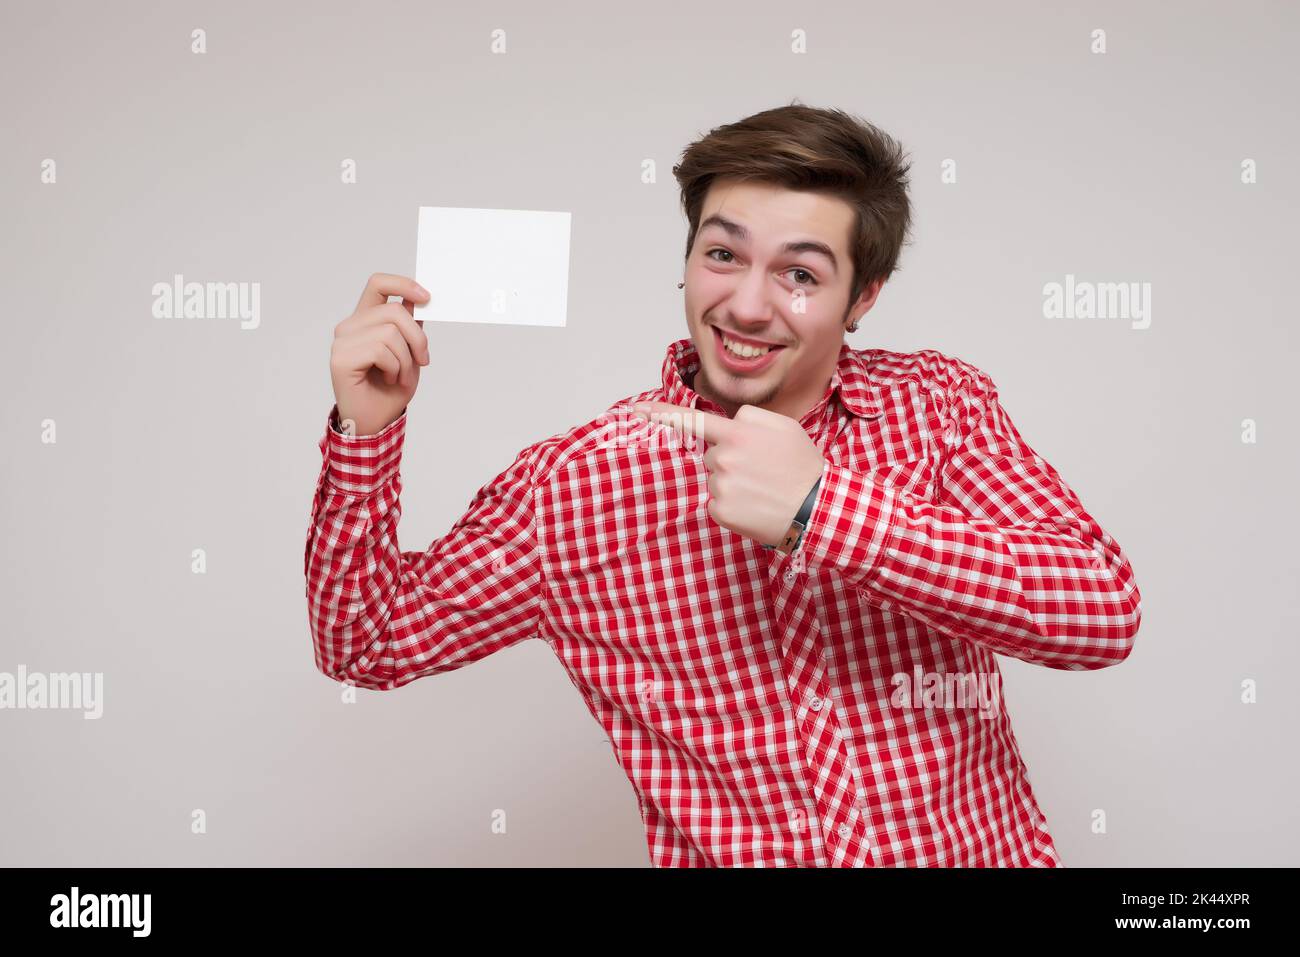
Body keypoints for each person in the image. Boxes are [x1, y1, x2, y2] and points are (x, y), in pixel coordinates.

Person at [305, 102, 1142, 867]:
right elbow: (365, 642)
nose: (746, 305)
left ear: (865, 296)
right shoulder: (578, 483)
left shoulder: (939, 408)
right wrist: (365, 434)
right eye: (722, 254)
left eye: (801, 274)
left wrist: (827, 511)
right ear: (686, 262)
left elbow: (1102, 611)